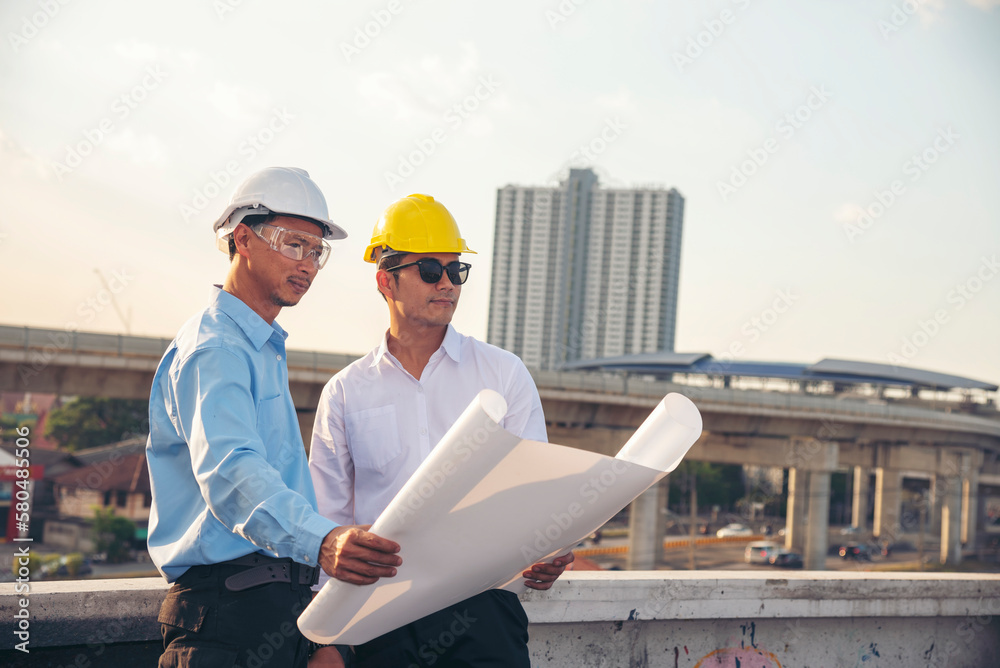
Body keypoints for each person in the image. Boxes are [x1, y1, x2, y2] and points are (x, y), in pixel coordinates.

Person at [146, 167, 402, 668]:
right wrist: (324, 540)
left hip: (276, 612)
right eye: (293, 244)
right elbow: (231, 473)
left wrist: (312, 635)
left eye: (316, 251)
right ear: (242, 237)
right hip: (223, 616)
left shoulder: (260, 347)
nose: (307, 263)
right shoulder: (215, 347)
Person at [308, 193, 574, 667]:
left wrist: (549, 548)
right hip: (378, 620)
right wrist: (323, 640)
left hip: (485, 616)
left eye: (457, 270)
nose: (448, 283)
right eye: (431, 270)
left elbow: (536, 493)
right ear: (385, 280)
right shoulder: (346, 392)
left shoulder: (504, 374)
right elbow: (328, 522)